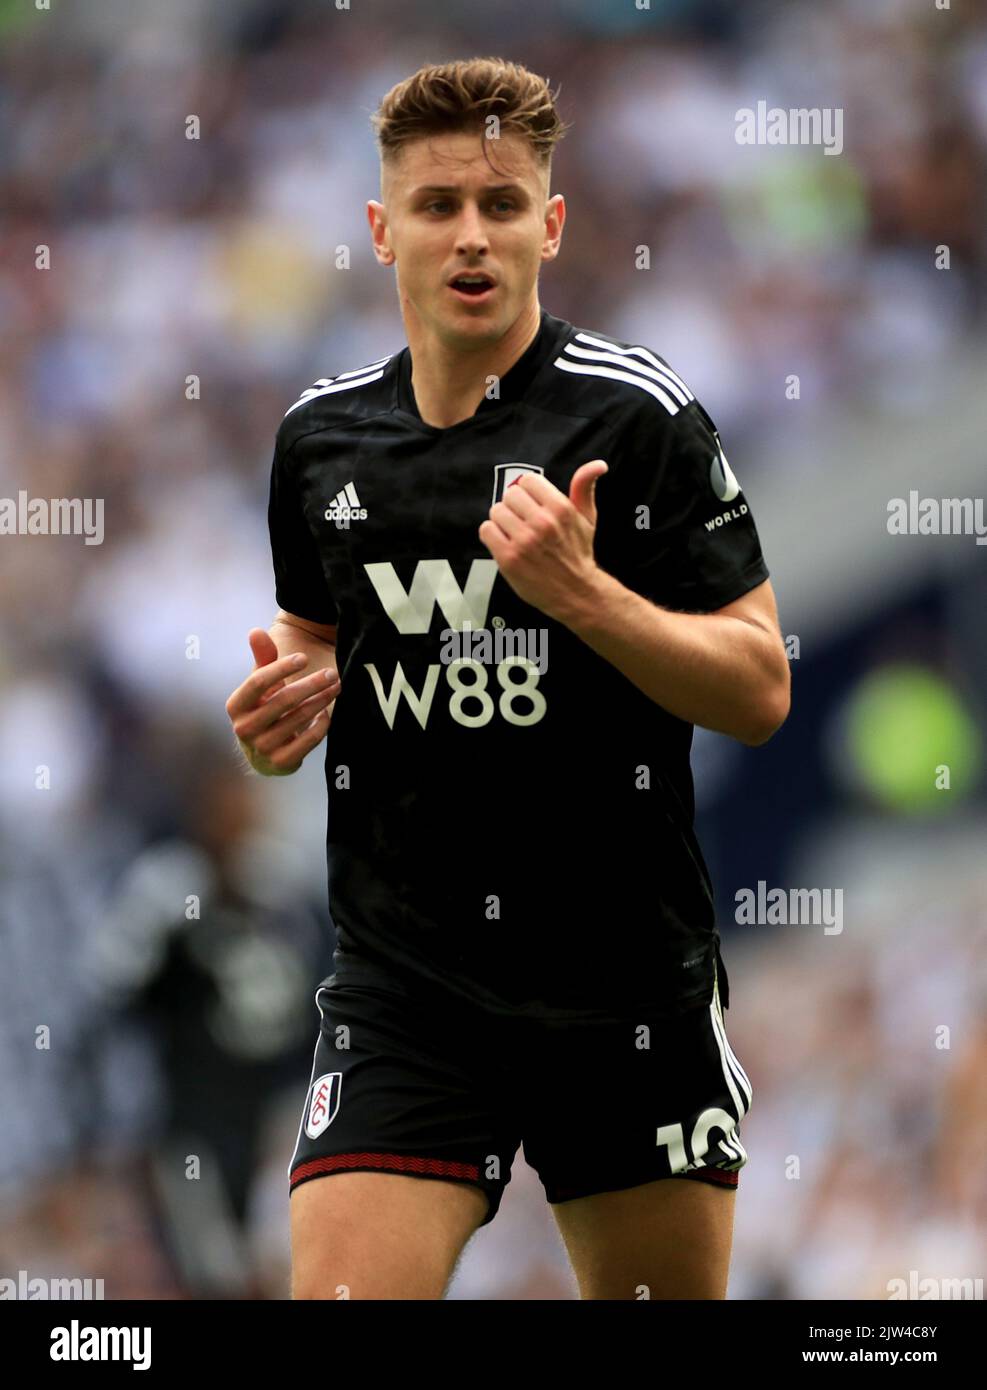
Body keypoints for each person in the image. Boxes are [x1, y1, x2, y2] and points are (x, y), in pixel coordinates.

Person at [225, 56, 790, 1300]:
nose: (470, 235)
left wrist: (582, 595)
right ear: (383, 232)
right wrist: (281, 720)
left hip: (623, 987)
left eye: (500, 203)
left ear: (553, 223)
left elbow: (758, 687)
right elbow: (310, 648)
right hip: (406, 986)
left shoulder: (637, 419)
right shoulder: (319, 441)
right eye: (436, 206)